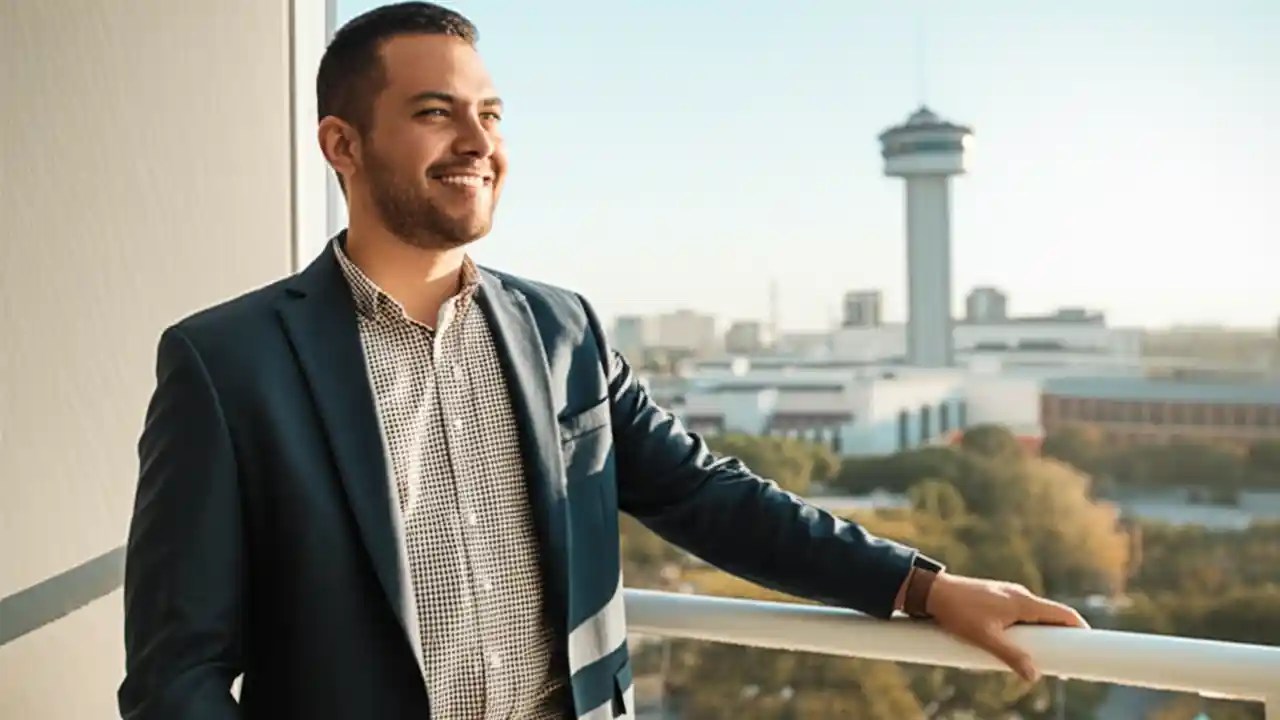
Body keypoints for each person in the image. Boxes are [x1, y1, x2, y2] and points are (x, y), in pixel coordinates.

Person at [117, 2, 1089, 718]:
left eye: (490, 114)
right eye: (433, 113)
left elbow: (707, 497)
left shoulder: (561, 330)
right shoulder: (226, 364)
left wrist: (921, 587)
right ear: (340, 143)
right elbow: (177, 673)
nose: (477, 143)